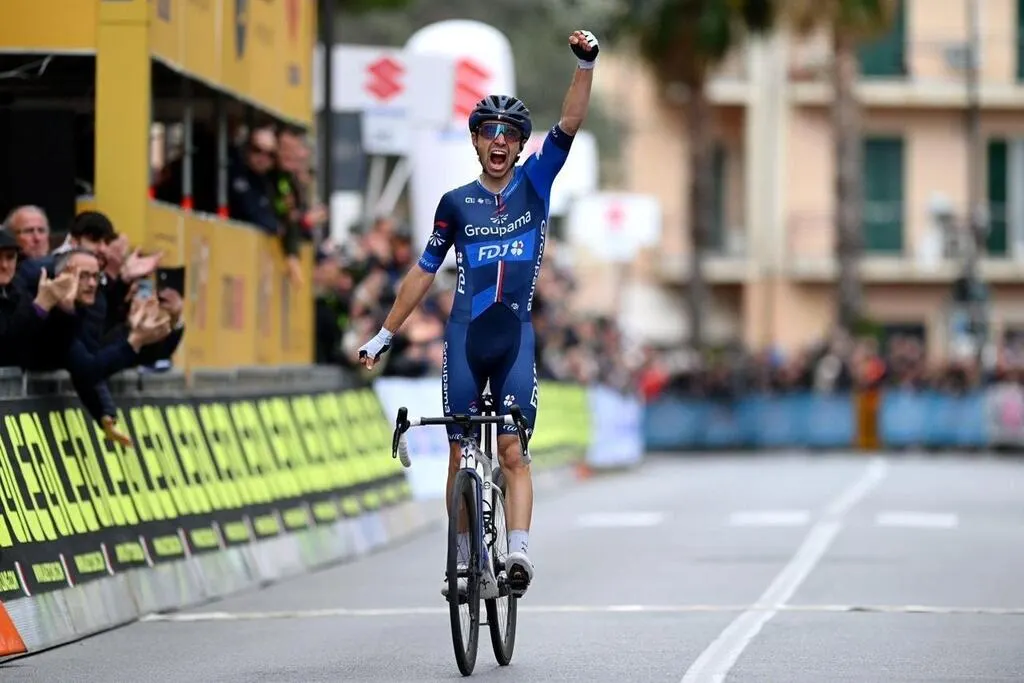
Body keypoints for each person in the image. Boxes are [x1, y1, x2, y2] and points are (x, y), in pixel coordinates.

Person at [358, 29, 599, 599]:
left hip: (513, 336)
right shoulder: (455, 204)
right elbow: (422, 270)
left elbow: (568, 124)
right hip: (464, 336)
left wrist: (585, 65)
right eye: (488, 131)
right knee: (460, 448)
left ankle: (517, 551)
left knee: (512, 448)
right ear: (474, 140)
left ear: (519, 145)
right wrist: (384, 334)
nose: (499, 140)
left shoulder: (536, 184)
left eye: (509, 133)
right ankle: (463, 557)